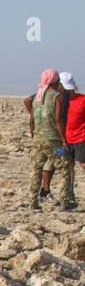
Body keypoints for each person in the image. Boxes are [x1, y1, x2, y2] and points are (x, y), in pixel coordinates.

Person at [24, 68, 71, 210]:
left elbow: (31, 120)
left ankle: (33, 201)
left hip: (38, 140)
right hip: (54, 142)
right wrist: (64, 140)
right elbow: (58, 120)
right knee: (64, 168)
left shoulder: (37, 97)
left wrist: (34, 136)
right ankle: (65, 201)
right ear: (55, 82)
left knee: (36, 169)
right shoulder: (57, 97)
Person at [60, 72, 81, 210]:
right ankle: (67, 196)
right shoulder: (57, 99)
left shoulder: (79, 100)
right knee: (66, 167)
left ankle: (69, 195)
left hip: (76, 139)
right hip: (63, 140)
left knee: (74, 166)